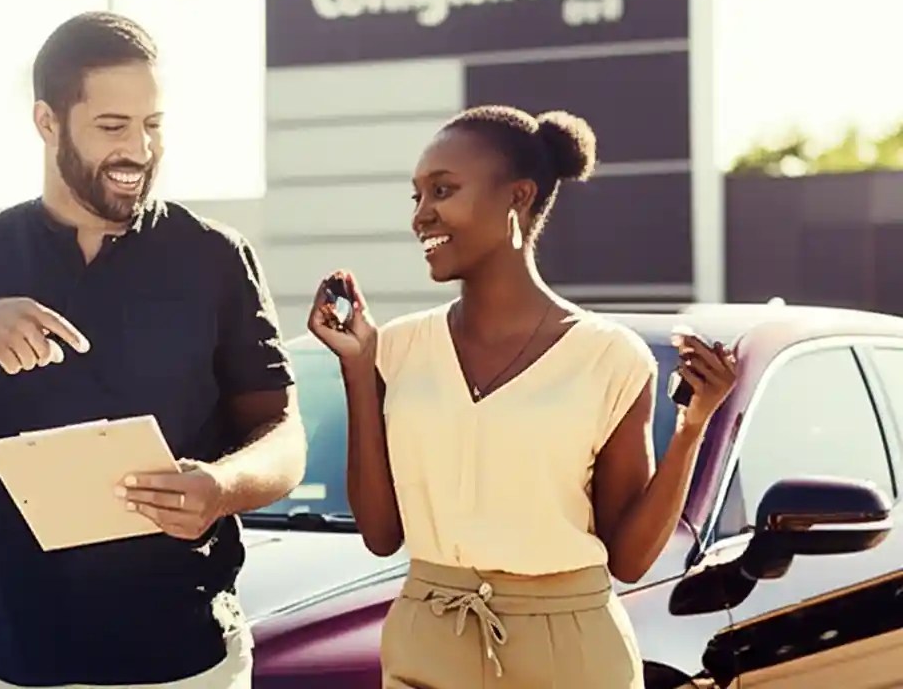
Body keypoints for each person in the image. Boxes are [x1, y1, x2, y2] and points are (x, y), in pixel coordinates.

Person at [0, 11, 306, 689]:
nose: (140, 150)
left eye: (153, 125)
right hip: (19, 665)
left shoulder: (214, 257)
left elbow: (284, 435)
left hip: (186, 660)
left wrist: (220, 488)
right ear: (47, 121)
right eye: (113, 127)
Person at [307, 105, 738, 688]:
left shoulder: (609, 356)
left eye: (443, 190)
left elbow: (630, 560)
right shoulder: (396, 348)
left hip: (572, 649)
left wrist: (692, 428)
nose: (421, 215)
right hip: (429, 639)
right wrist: (358, 370)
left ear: (519, 196)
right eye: (416, 196)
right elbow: (382, 537)